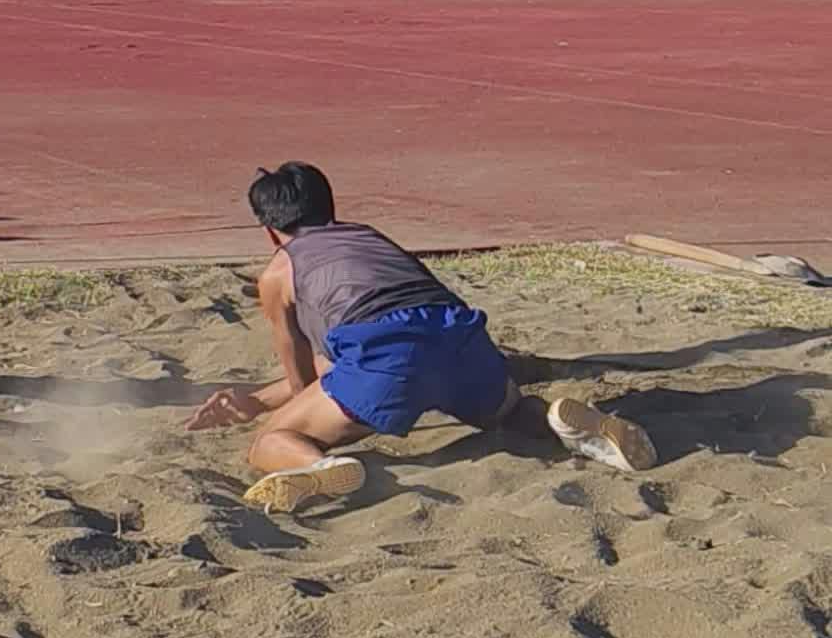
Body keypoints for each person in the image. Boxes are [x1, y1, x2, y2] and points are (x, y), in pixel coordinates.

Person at [188, 162, 657, 514]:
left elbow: (305, 383)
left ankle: (319, 468)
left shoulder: (278, 273)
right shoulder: (369, 237)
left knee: (271, 441)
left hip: (386, 359)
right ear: (330, 208)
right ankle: (561, 421)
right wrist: (256, 398)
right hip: (458, 337)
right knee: (511, 413)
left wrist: (270, 412)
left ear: (270, 232)